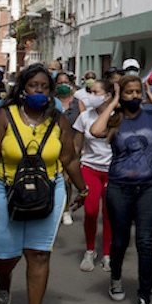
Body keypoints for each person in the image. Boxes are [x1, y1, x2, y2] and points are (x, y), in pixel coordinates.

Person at [0, 63, 88, 304]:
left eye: (44, 87)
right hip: (8, 192)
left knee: (38, 253)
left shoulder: (57, 120)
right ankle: (4, 281)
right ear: (23, 89)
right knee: (6, 256)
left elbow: (70, 159)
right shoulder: (5, 116)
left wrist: (82, 188)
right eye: (33, 86)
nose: (39, 91)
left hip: (47, 193)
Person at [90, 75, 152, 304]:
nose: (134, 96)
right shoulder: (115, 118)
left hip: (148, 188)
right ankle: (116, 277)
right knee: (120, 240)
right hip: (120, 188)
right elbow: (95, 130)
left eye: (137, 92)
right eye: (129, 92)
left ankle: (145, 298)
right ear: (121, 94)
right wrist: (113, 103)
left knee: (145, 243)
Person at [72, 79, 113, 272]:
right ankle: (90, 251)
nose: (91, 96)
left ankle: (107, 254)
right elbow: (75, 145)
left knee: (108, 213)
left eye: (96, 92)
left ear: (108, 96)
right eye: (90, 92)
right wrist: (70, 169)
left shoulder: (117, 117)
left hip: (112, 171)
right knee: (90, 211)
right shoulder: (84, 117)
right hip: (89, 168)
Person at [54, 71, 81, 226]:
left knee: (67, 179)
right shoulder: (51, 101)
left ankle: (65, 210)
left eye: (66, 82)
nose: (63, 85)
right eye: (59, 83)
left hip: (72, 146)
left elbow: (84, 122)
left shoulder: (77, 102)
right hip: (52, 145)